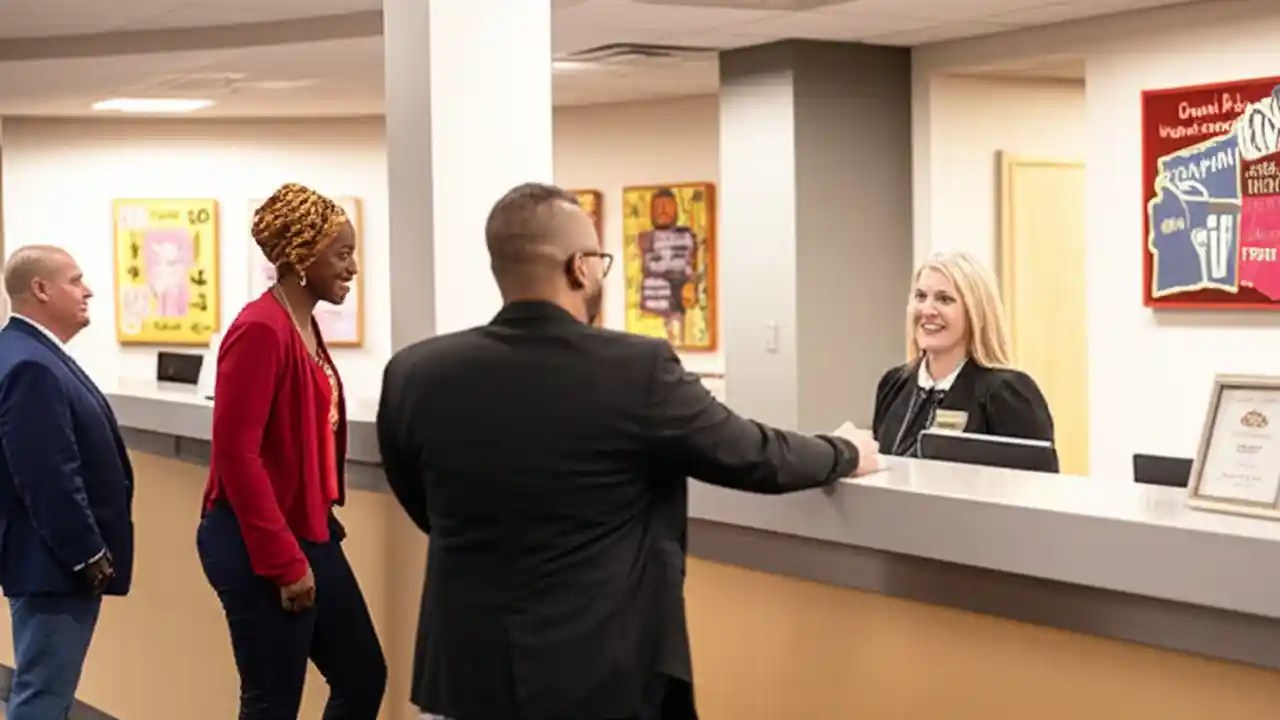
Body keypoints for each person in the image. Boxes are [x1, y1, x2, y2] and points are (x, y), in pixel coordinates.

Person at [376, 182, 882, 720]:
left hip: (463, 676)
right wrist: (844, 451)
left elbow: (420, 501)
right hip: (594, 680)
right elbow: (752, 454)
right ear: (580, 269)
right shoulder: (634, 369)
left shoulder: (415, 373)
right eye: (599, 259)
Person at [197, 183, 386, 718]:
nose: (352, 269)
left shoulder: (302, 323)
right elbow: (237, 456)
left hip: (308, 529)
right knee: (273, 700)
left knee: (362, 675)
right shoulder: (260, 329)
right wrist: (283, 562)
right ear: (301, 258)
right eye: (342, 255)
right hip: (257, 538)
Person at [0, 245, 133, 719]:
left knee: (45, 691)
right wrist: (87, 553)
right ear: (40, 289)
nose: (88, 290)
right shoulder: (30, 363)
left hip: (52, 561)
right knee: (43, 694)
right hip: (54, 564)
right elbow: (47, 474)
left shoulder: (32, 352)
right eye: (76, 281)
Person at [872, 251, 1056, 466]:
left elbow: (1035, 488)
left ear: (975, 312)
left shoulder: (1006, 392)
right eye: (920, 296)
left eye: (944, 299)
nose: (927, 310)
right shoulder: (894, 384)